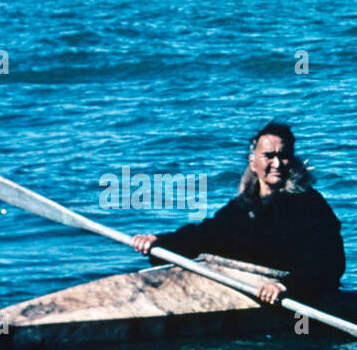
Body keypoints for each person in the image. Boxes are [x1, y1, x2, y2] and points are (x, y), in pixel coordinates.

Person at [132, 121, 345, 304]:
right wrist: (160, 242)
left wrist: (288, 286)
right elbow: (204, 236)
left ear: (293, 160)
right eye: (269, 156)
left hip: (296, 295)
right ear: (253, 162)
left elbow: (329, 260)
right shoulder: (242, 207)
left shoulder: (310, 205)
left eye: (284, 156)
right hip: (253, 292)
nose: (277, 164)